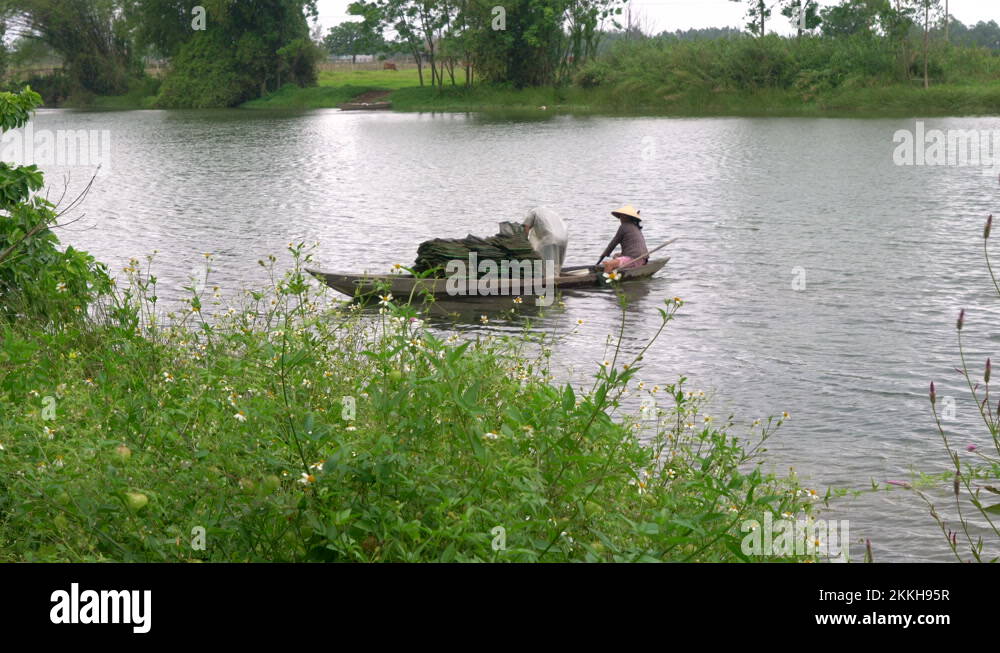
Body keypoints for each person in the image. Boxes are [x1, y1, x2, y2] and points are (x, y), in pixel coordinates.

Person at [597, 204, 648, 273]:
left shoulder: (624, 226)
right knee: (616, 256)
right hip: (643, 259)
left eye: (622, 216)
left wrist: (605, 254)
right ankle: (615, 272)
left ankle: (606, 281)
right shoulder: (635, 227)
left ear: (627, 217)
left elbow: (614, 242)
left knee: (608, 264)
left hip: (634, 259)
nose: (620, 218)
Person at [522, 206, 568, 272]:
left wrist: (524, 243)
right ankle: (556, 277)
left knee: (545, 266)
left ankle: (549, 279)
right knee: (556, 265)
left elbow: (526, 227)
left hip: (550, 239)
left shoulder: (532, 212)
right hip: (564, 238)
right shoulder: (552, 213)